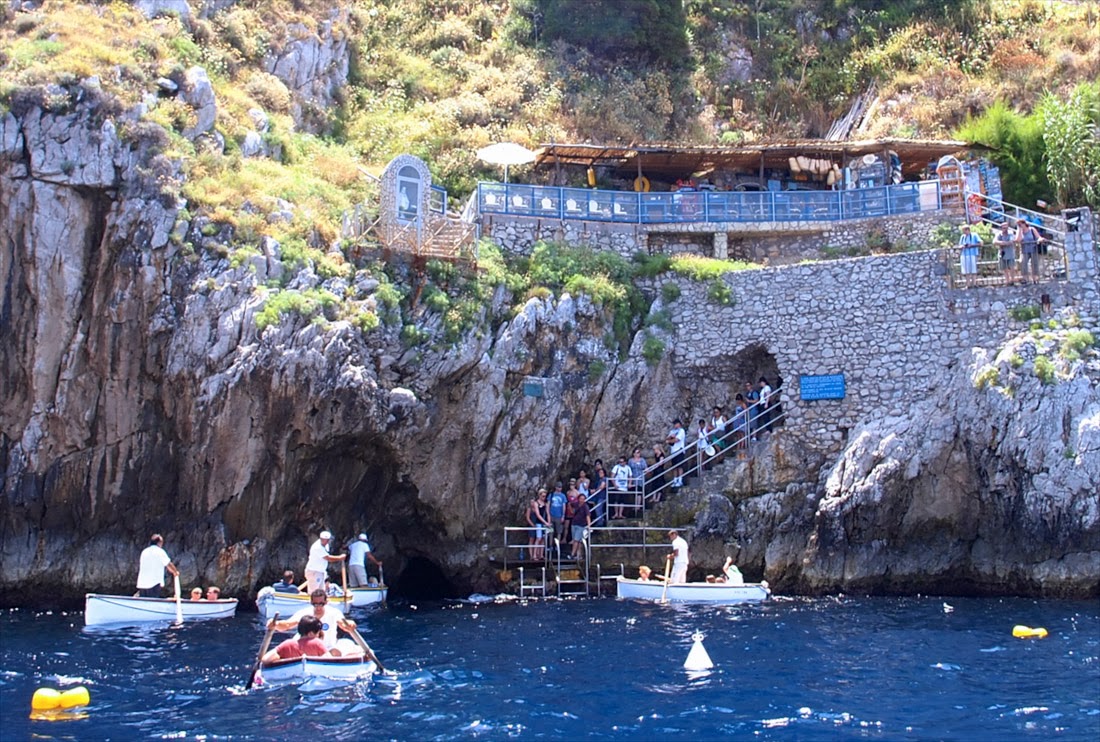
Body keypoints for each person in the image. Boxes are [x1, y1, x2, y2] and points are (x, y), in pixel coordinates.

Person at [273, 589, 360, 656]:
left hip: (328, 650)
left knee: (340, 649)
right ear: (311, 603)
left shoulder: (334, 612)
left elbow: (343, 624)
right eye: (315, 604)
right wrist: (275, 624)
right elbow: (287, 624)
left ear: (326, 602)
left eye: (321, 604)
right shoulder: (304, 613)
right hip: (307, 650)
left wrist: (350, 624)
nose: (318, 607)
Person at [262, 615, 329, 665]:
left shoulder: (287, 644)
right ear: (311, 633)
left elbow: (265, 660)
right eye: (317, 633)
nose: (318, 636)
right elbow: (329, 660)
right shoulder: (317, 643)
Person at [136, 534, 179, 598]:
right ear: (159, 543)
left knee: (143, 601)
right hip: (154, 583)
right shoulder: (160, 552)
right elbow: (168, 564)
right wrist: (175, 572)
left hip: (142, 583)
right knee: (152, 602)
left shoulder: (144, 551)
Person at [1016, 218, 1044, 284]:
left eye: (1021, 224)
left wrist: (1040, 239)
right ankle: (1025, 279)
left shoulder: (1032, 229)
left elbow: (1038, 237)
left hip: (1033, 249)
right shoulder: (1019, 231)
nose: (1020, 226)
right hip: (1024, 250)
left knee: (1035, 264)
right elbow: (1018, 240)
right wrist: (1019, 230)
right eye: (1019, 225)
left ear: (1024, 224)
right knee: (1023, 263)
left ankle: (1035, 278)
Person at [526, 488, 551, 562]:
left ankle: (541, 554)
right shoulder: (536, 503)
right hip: (538, 522)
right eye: (543, 496)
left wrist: (548, 522)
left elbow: (548, 513)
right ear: (539, 495)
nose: (544, 497)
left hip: (544, 522)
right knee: (539, 538)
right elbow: (538, 514)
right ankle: (534, 555)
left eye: (545, 496)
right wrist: (545, 522)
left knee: (543, 539)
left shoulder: (546, 503)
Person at [993, 221, 1018, 285]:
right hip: (1002, 254)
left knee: (1011, 267)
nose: (1005, 229)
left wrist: (1002, 243)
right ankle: (1007, 281)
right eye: (1004, 228)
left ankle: (1012, 280)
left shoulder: (1011, 233)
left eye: (1006, 227)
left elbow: (1011, 241)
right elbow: (994, 242)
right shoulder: (999, 234)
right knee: (1004, 268)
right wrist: (1004, 243)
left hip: (1010, 253)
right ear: (1001, 228)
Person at [958, 224, 982, 288]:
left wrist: (971, 245)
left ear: (968, 230)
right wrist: (962, 246)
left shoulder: (974, 235)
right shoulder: (962, 237)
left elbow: (981, 243)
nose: (963, 232)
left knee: (973, 270)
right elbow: (959, 245)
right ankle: (968, 285)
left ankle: (974, 283)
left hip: (972, 254)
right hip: (964, 255)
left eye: (964, 231)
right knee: (966, 271)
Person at [570, 494, 592, 560]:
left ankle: (572, 554)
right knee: (576, 540)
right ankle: (578, 555)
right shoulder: (576, 504)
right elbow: (571, 505)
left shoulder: (585, 507)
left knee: (577, 540)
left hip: (581, 525)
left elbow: (588, 516)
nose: (582, 500)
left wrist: (589, 525)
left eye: (583, 499)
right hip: (574, 524)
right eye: (581, 498)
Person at [666, 419, 686, 488]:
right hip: (673, 451)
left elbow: (677, 439)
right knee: (674, 467)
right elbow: (667, 438)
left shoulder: (681, 431)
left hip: (679, 450)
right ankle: (675, 480)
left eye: (676, 424)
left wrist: (671, 440)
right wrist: (671, 437)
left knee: (679, 466)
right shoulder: (672, 431)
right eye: (674, 424)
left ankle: (680, 480)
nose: (675, 425)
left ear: (679, 424)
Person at [547, 482, 567, 548]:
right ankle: (550, 545)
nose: (560, 488)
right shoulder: (552, 495)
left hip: (559, 516)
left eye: (561, 487)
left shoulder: (563, 496)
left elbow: (564, 506)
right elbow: (548, 505)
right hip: (552, 515)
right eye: (558, 487)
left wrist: (563, 515)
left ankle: (557, 545)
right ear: (555, 487)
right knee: (551, 531)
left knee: (559, 531)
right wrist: (548, 515)